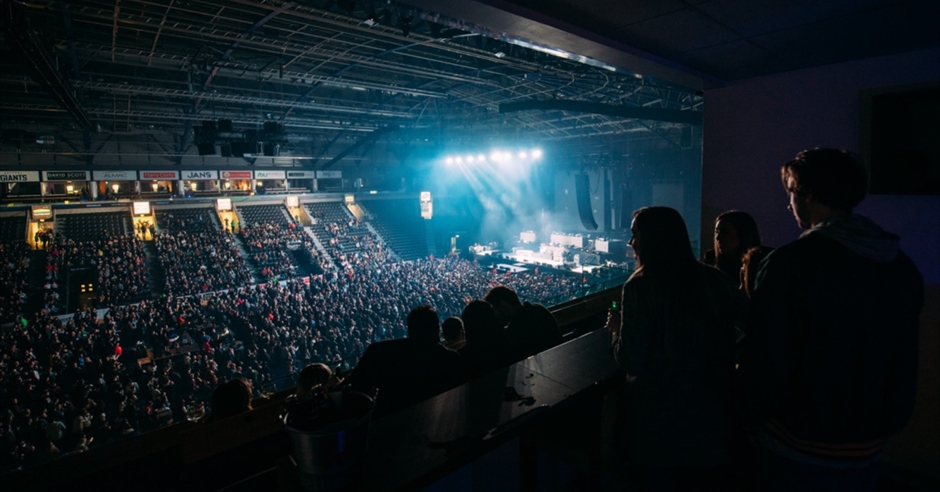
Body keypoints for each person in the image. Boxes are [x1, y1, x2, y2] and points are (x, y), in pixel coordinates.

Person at [739, 148, 923, 491]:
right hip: (868, 449)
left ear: (807, 195)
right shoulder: (900, 266)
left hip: (796, 446)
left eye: (791, 193)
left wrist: (749, 419)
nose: (789, 204)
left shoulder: (790, 265)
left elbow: (766, 360)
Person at [605, 206, 747, 491]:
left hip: (660, 432)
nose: (631, 243)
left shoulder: (639, 287)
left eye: (635, 235)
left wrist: (617, 330)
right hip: (713, 424)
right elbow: (749, 324)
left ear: (652, 239)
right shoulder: (715, 279)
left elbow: (632, 360)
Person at [346, 305, 464, 417]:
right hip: (434, 424)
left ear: (409, 328)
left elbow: (358, 385)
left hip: (387, 426)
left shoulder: (380, 351)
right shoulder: (450, 358)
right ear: (437, 328)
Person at [484, 285, 561, 362]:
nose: (495, 316)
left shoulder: (516, 330)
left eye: (494, 311)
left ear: (504, 306)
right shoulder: (539, 309)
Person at [701, 210, 762, 282]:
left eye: (725, 232)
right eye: (716, 232)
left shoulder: (760, 265)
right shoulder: (711, 259)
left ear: (742, 235)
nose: (718, 237)